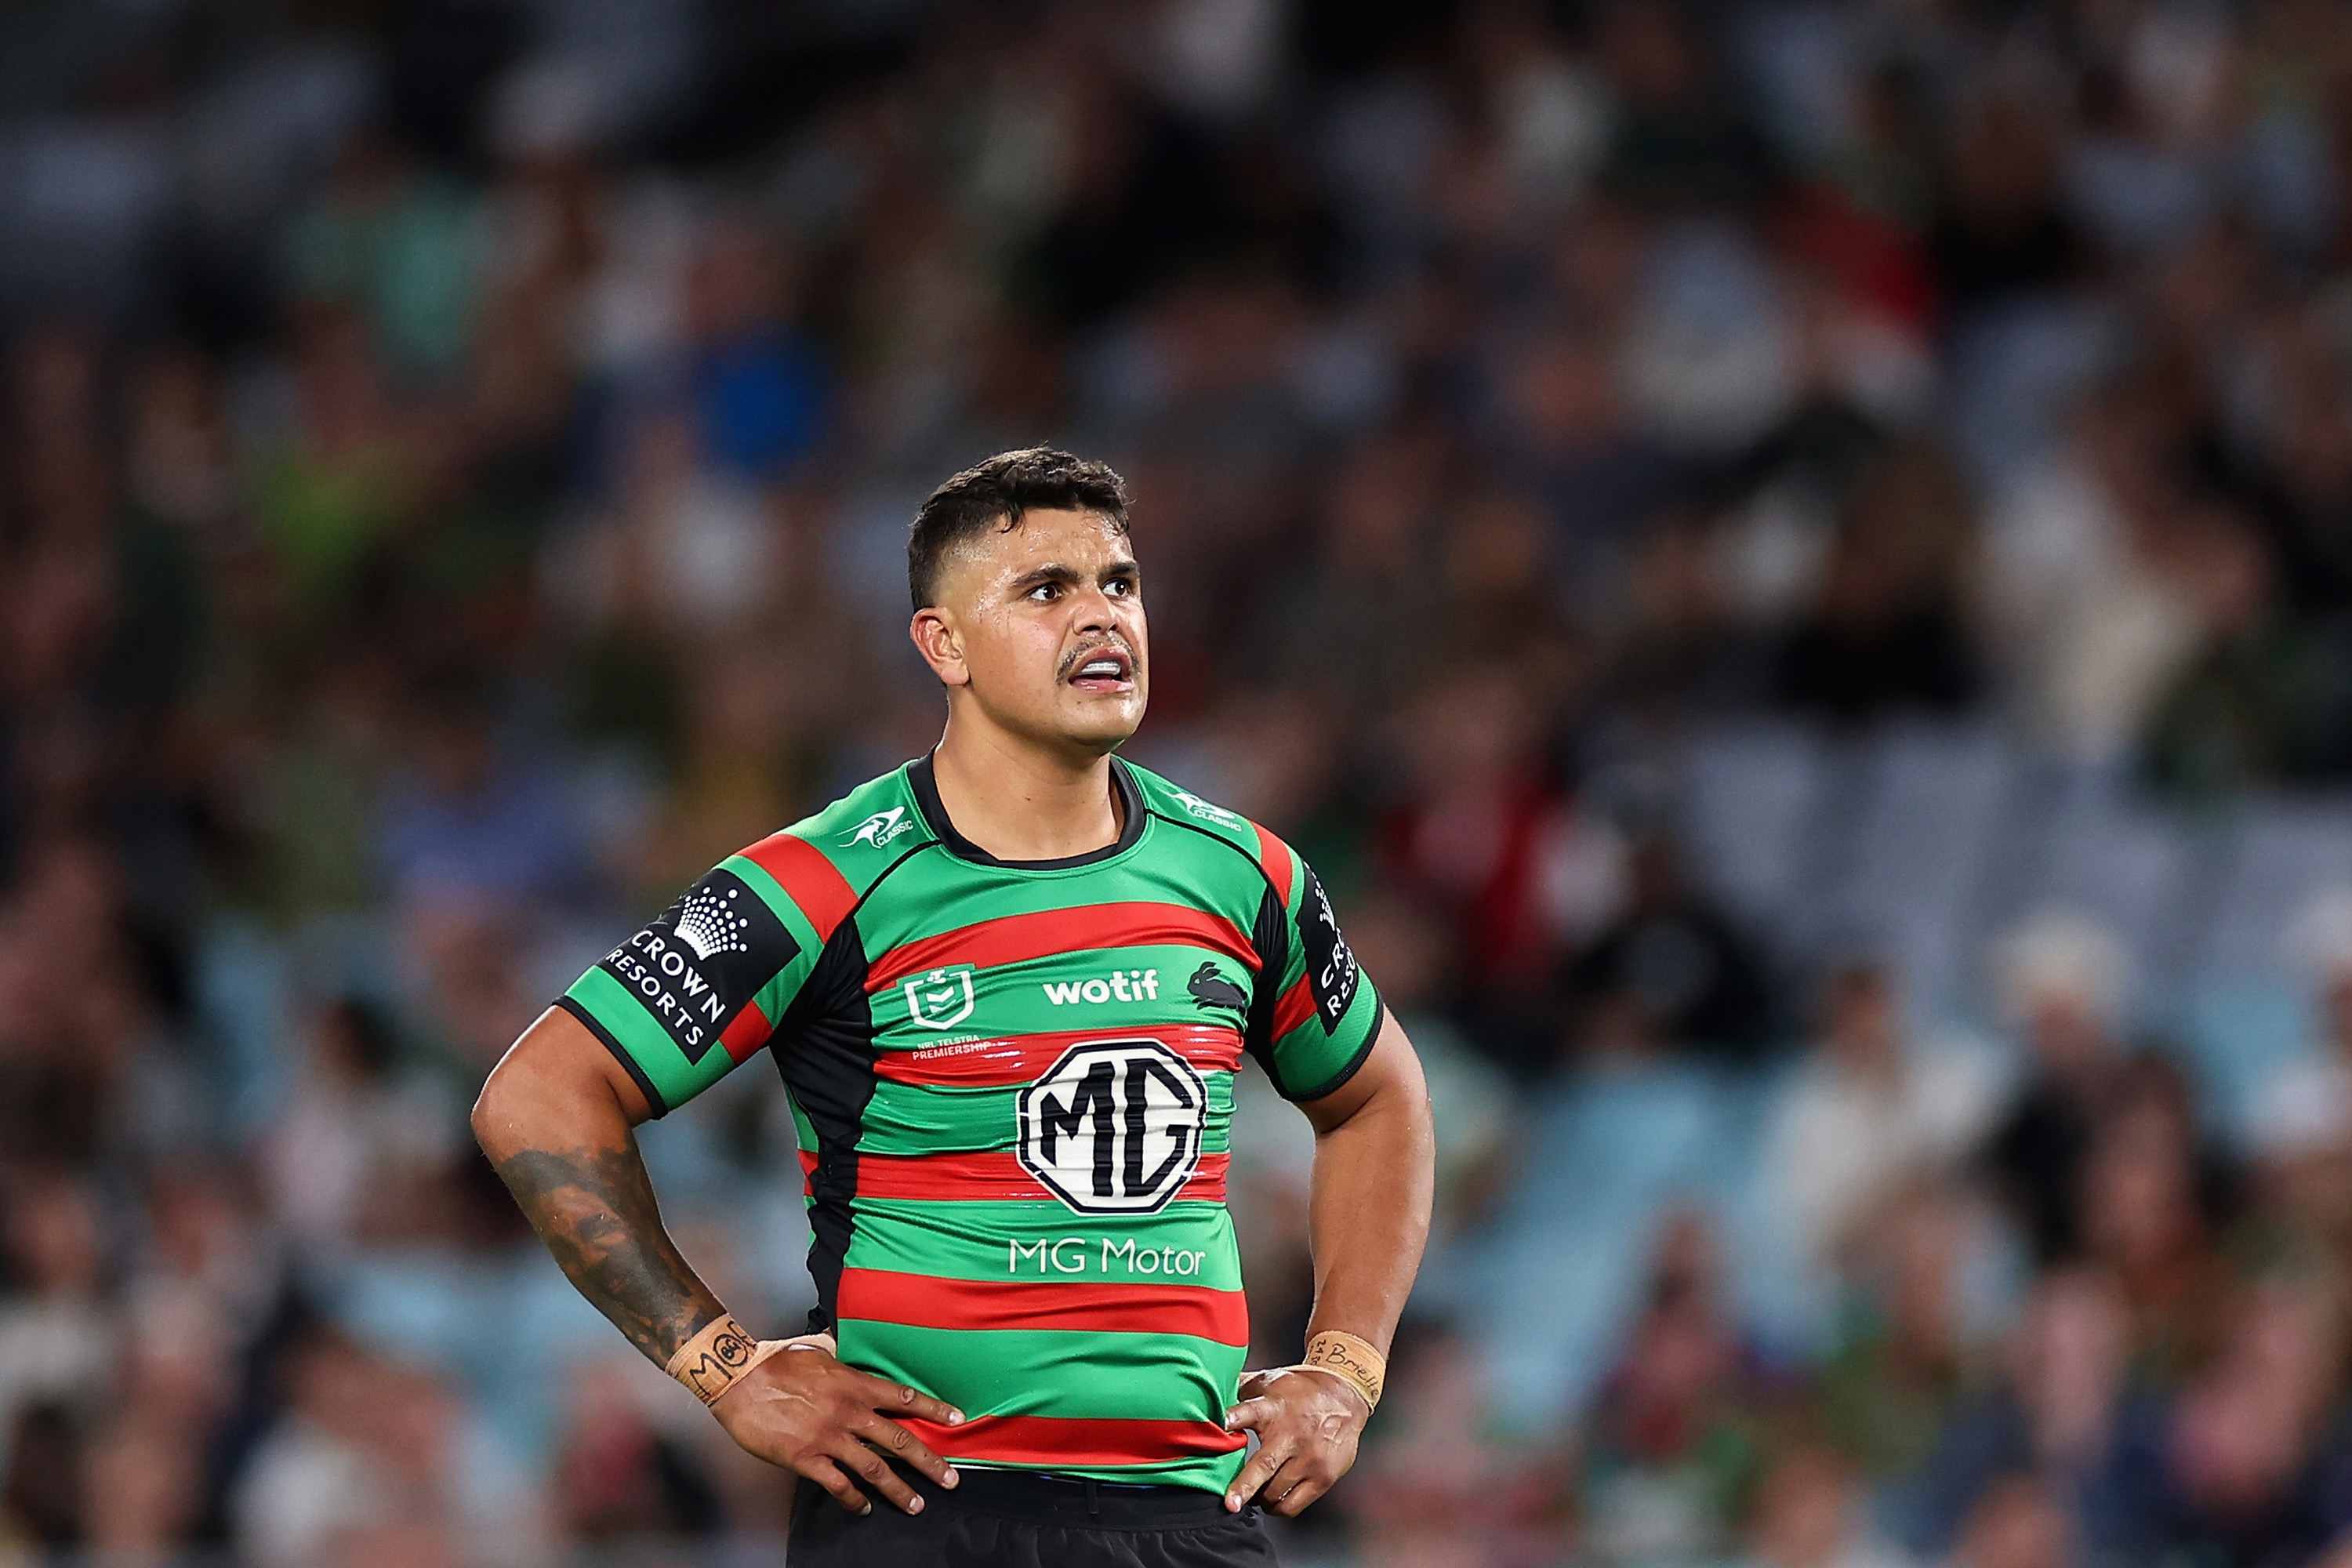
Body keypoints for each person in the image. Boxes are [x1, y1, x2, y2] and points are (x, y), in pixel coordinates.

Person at [471, 448, 1436, 1566]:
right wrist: (724, 1368)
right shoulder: (824, 882)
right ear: (944, 645)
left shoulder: (1241, 872)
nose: (1102, 618)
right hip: (930, 1511)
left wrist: (1346, 1373)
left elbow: (1380, 1101)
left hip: (1194, 1513)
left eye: (1118, 583)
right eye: (1045, 590)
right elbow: (539, 1096)